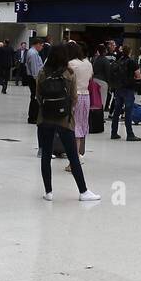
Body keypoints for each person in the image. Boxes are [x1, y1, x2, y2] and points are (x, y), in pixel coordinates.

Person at [36, 42, 101, 202]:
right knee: (73, 155)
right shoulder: (69, 73)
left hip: (45, 118)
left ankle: (48, 192)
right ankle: (83, 191)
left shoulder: (43, 72)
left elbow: (38, 96)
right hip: (64, 119)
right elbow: (73, 98)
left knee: (46, 155)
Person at [66, 41, 93, 160]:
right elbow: (90, 77)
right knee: (81, 125)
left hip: (74, 96)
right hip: (86, 96)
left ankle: (74, 158)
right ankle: (78, 153)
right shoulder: (88, 63)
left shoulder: (71, 64)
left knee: (73, 126)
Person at [108, 45, 140, 141]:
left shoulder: (118, 61)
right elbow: (138, 76)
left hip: (118, 88)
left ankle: (114, 132)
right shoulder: (131, 62)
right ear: (130, 52)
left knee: (117, 111)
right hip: (128, 89)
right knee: (128, 111)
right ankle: (130, 134)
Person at [24, 37, 45, 123]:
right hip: (34, 79)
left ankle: (34, 115)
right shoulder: (33, 54)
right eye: (42, 45)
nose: (42, 47)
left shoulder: (32, 52)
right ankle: (33, 117)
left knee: (34, 97)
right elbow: (35, 70)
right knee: (35, 97)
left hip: (33, 78)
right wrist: (38, 81)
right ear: (38, 44)